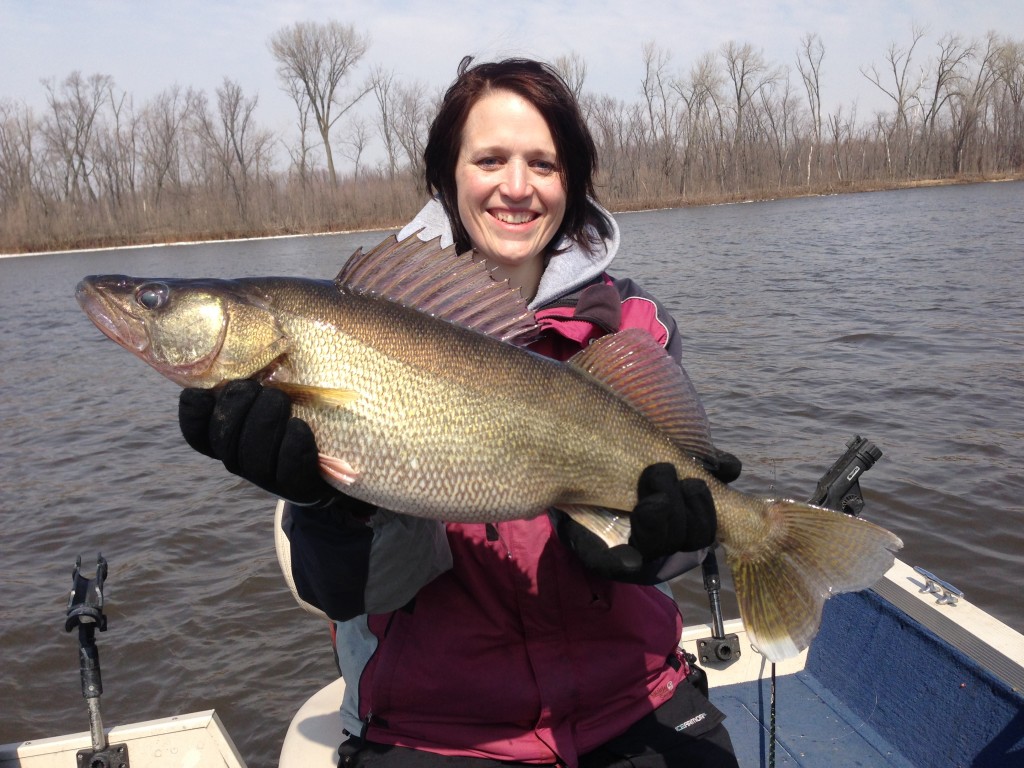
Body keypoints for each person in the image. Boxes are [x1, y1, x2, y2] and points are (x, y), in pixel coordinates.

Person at [178, 57, 742, 767]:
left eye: (544, 163)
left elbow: (681, 518)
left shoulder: (631, 326)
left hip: (634, 702)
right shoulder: (358, 324)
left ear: (572, 181)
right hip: (437, 733)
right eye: (490, 159)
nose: (516, 186)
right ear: (448, 176)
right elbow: (338, 592)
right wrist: (324, 506)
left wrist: (667, 542)